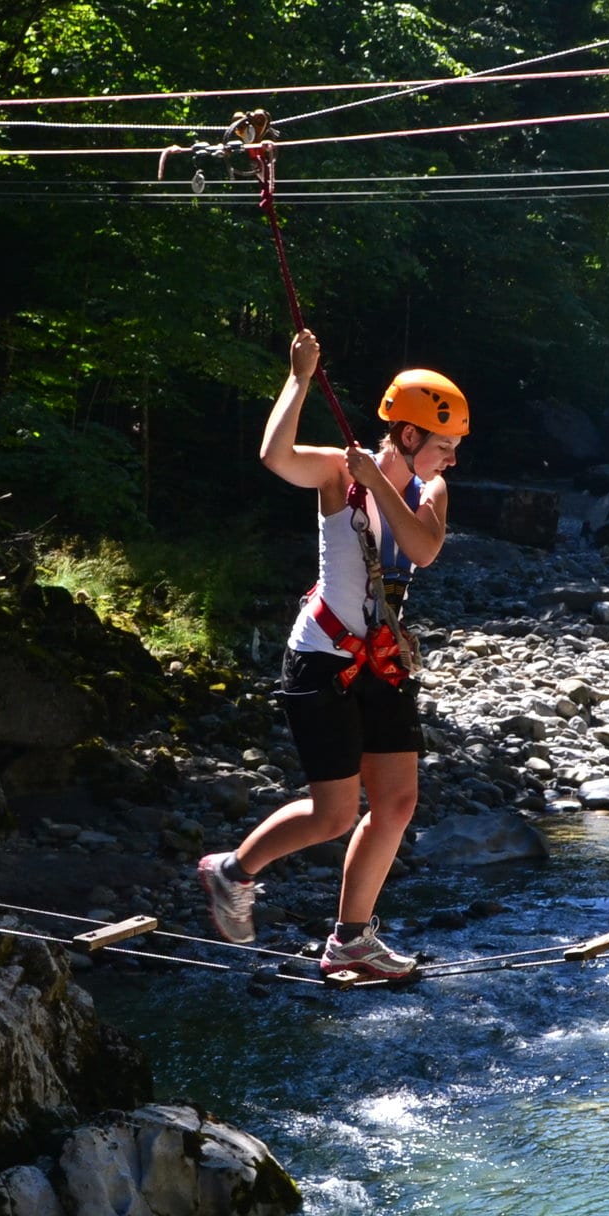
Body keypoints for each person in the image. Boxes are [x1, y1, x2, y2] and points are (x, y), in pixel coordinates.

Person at [197, 327, 466, 983]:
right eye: (443, 446)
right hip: (323, 659)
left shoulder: (428, 493)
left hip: (381, 662)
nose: (451, 459)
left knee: (398, 802)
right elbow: (274, 455)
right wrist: (298, 377)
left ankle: (351, 939)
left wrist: (383, 483)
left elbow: (423, 549)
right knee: (335, 812)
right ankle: (232, 870)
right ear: (409, 436)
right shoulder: (337, 473)